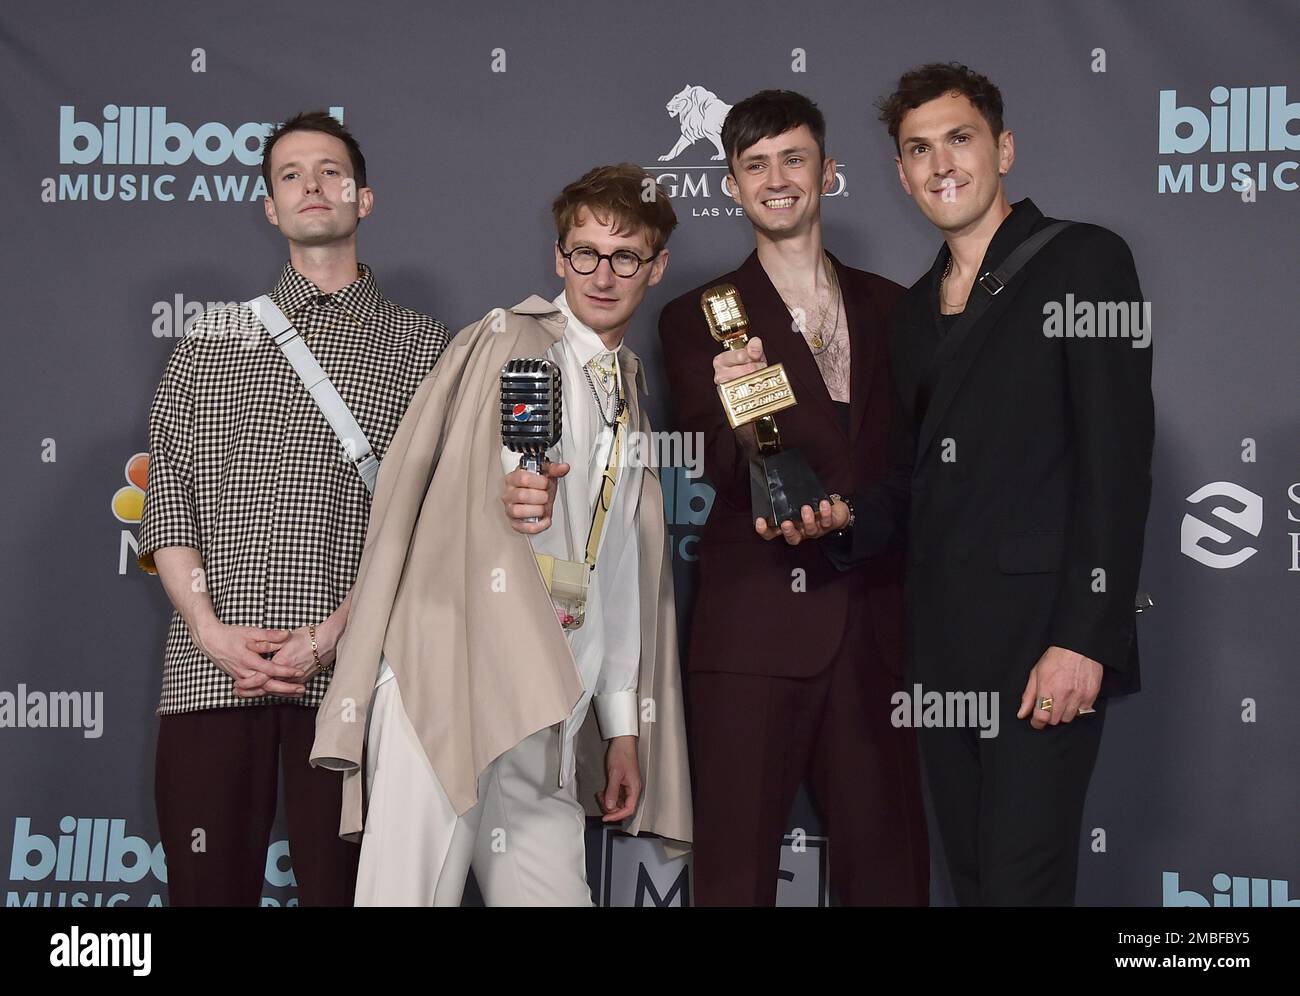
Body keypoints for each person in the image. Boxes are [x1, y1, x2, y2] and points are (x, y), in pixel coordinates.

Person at [806, 63, 1153, 905]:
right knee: (972, 883)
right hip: (942, 657)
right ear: (899, 172)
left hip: (1045, 647)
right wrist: (843, 517)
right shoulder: (917, 310)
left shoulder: (1085, 260)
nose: (941, 165)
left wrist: (1085, 639)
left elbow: (1118, 462)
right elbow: (910, 479)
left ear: (1002, 147)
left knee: (1021, 890)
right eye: (918, 149)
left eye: (959, 139)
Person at [311, 163, 692, 906]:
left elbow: (618, 573)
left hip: (548, 710)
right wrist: (517, 498)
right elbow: (487, 476)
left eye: (625, 257)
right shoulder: (509, 339)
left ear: (657, 266)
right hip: (449, 682)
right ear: (559, 257)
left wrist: (620, 726)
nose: (602, 274)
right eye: (584, 252)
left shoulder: (629, 386)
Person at [138, 110, 450, 906]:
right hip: (212, 675)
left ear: (365, 199)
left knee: (347, 895)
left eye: (331, 172)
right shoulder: (210, 339)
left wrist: (336, 633)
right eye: (290, 175)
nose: (312, 186)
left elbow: (429, 519)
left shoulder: (426, 347)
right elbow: (167, 497)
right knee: (205, 890)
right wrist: (209, 630)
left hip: (357, 676)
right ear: (271, 209)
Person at [656, 90, 929, 906]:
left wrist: (862, 517)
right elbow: (711, 461)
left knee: (890, 874)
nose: (777, 179)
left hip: (879, 623)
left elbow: (922, 462)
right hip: (755, 626)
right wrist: (744, 433)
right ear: (734, 187)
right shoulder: (697, 316)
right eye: (755, 165)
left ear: (828, 173)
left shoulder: (898, 306)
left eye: (794, 158)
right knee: (735, 875)